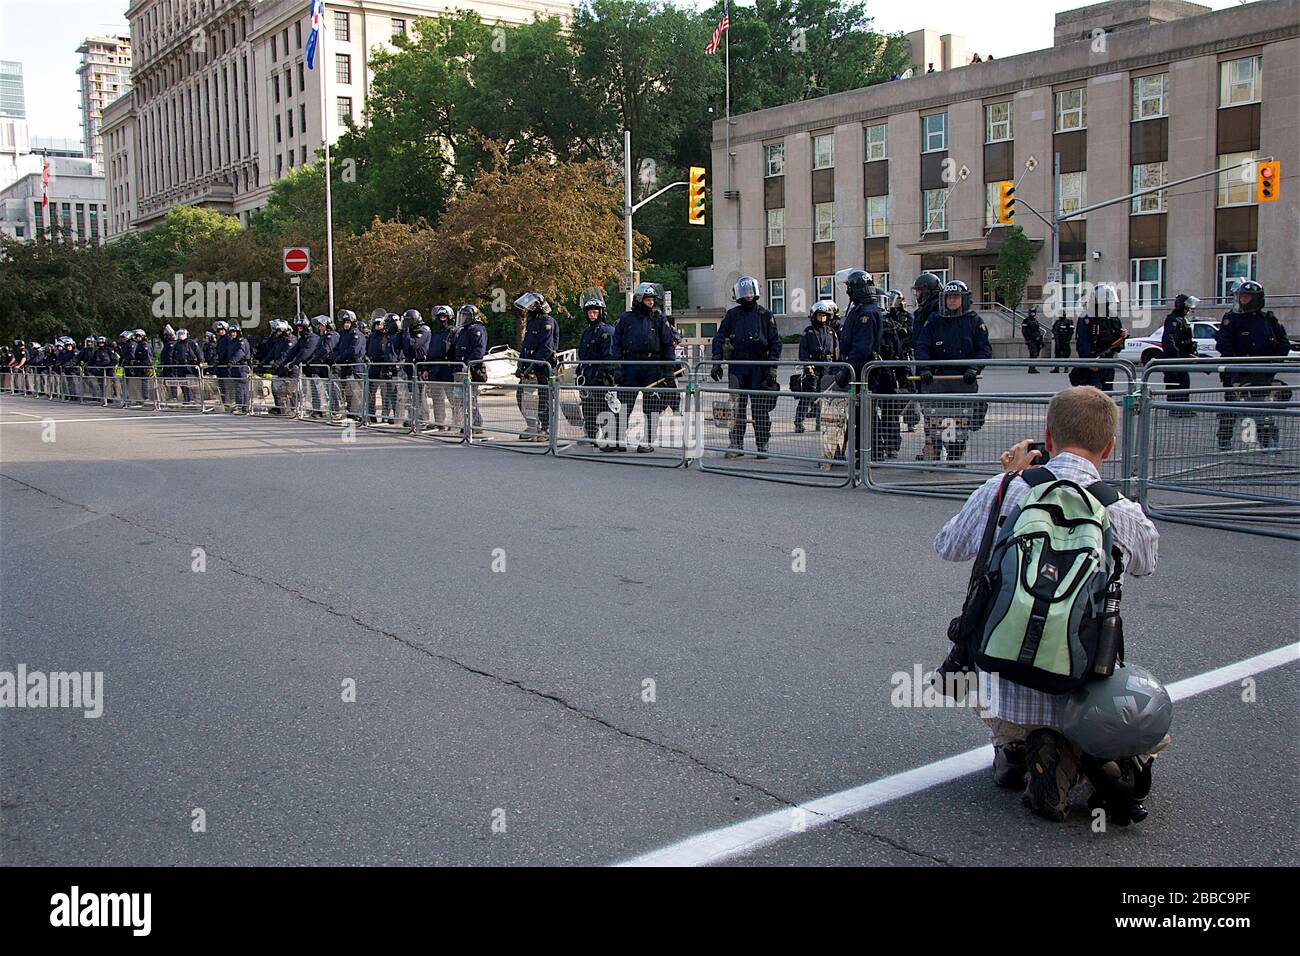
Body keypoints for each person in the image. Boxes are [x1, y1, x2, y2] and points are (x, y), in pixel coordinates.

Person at [935, 386, 1163, 823]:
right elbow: (1146, 564)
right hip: (1083, 675)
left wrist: (1004, 479)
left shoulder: (1009, 488)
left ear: (1047, 437)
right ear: (1110, 447)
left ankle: (1017, 748)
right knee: (1140, 702)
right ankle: (1087, 754)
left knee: (998, 676)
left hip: (1005, 672)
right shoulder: (1118, 507)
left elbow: (947, 545)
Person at [914, 280, 992, 462]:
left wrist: (974, 368)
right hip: (938, 379)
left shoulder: (974, 321)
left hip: (963, 380)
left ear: (963, 299)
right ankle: (934, 451)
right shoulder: (934, 320)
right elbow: (922, 345)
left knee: (959, 422)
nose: (952, 301)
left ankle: (955, 454)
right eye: (949, 297)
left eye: (956, 297)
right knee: (934, 420)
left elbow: (984, 350)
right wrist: (924, 367)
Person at [1214, 280, 1291, 451]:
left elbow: (1283, 342)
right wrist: (1235, 363)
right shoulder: (1231, 318)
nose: (1242, 300)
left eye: (1246, 297)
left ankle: (1267, 441)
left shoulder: (1268, 319)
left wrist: (1274, 362)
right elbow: (1223, 343)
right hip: (1237, 372)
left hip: (1263, 371)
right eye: (1240, 296)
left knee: (1263, 408)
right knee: (1231, 406)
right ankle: (1224, 439)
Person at [711, 276, 782, 459]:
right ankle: (736, 443)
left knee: (760, 408)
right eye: (745, 292)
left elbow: (775, 342)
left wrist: (772, 366)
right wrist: (716, 361)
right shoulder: (732, 315)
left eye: (751, 292)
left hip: (760, 366)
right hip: (738, 366)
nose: (748, 296)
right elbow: (719, 337)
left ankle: (762, 444)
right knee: (736, 407)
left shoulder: (765, 315)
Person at [617, 281, 678, 453]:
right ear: (639, 299)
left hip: (652, 366)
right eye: (647, 299)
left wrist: (669, 370)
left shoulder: (658, 318)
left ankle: (648, 440)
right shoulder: (626, 318)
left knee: (651, 405)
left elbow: (667, 344)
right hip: (631, 365)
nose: (651, 302)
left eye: (652, 299)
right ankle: (619, 438)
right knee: (624, 403)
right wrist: (617, 366)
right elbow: (617, 344)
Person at [576, 288, 617, 449]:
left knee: (603, 406)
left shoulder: (607, 331)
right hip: (587, 374)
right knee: (587, 406)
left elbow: (608, 357)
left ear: (600, 312)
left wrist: (599, 376)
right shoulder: (587, 332)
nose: (592, 315)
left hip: (602, 376)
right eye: (590, 312)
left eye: (595, 312)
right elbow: (583, 354)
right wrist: (580, 371)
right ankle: (592, 435)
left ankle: (609, 437)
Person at [515, 292, 558, 442]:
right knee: (522, 396)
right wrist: (520, 365)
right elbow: (526, 346)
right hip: (529, 366)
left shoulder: (547, 321)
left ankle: (545, 429)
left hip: (542, 368)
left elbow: (546, 348)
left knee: (544, 398)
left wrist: (533, 366)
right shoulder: (533, 321)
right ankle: (532, 426)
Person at [1072, 283, 1127, 392]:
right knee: (1093, 395)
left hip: (1109, 361)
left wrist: (1122, 336)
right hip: (1094, 362)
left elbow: (1117, 343)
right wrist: (1089, 361)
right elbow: (1082, 342)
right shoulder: (1088, 317)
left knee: (1107, 393)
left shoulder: (1112, 317)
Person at [795, 299, 838, 433]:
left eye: (824, 315)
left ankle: (820, 423)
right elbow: (803, 350)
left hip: (827, 367)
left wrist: (836, 367)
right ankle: (799, 422)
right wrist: (807, 365)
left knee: (824, 397)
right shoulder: (808, 332)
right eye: (820, 315)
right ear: (814, 316)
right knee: (807, 395)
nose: (822, 317)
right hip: (812, 366)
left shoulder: (831, 332)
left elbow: (836, 350)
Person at [418, 306, 457, 432]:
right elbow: (430, 352)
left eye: (444, 317)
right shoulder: (435, 333)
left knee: (453, 398)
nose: (442, 320)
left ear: (449, 317)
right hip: (434, 368)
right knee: (436, 397)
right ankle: (439, 422)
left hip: (447, 367)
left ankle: (457, 423)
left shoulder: (453, 332)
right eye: (440, 317)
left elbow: (454, 350)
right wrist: (425, 368)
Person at [1160, 294, 1199, 417]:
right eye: (1186, 308)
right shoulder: (1173, 320)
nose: (1188, 310)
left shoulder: (1182, 319)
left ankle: (1183, 408)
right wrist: (1176, 356)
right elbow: (1169, 340)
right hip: (1174, 359)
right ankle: (1176, 409)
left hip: (1181, 358)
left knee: (1184, 383)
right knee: (1176, 383)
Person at [453, 304, 488, 434]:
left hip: (471, 369)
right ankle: (467, 423)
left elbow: (479, 351)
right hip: (462, 369)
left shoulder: (477, 329)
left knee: (471, 398)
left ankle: (476, 424)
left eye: (464, 316)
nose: (462, 319)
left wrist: (468, 364)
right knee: (463, 399)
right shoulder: (463, 330)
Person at [366, 314, 401, 424]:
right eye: (376, 324)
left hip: (385, 365)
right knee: (371, 392)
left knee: (386, 393)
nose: (378, 326)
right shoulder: (372, 336)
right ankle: (371, 415)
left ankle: (386, 415)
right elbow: (367, 349)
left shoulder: (388, 336)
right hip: (374, 366)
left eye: (380, 324)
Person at [333, 309, 367, 421]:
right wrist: (337, 357)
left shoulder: (356, 335)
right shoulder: (344, 335)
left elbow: (354, 350)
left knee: (355, 392)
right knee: (348, 392)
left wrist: (341, 357)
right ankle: (350, 413)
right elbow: (338, 348)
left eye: (348, 322)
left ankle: (357, 414)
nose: (346, 324)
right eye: (344, 322)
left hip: (354, 367)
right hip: (345, 368)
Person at [269, 318, 302, 415]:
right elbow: (272, 353)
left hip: (291, 370)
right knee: (276, 389)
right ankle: (280, 408)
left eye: (278, 330)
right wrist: (263, 362)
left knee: (290, 391)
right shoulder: (279, 341)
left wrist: (278, 363)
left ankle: (292, 409)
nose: (277, 332)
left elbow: (286, 354)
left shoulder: (291, 340)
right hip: (282, 370)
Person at [174, 329, 203, 405]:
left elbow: (198, 352)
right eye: (179, 334)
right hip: (181, 365)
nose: (181, 336)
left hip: (191, 365)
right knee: (183, 383)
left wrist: (200, 362)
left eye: (182, 334)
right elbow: (174, 354)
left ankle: (197, 399)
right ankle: (187, 399)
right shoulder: (177, 344)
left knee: (194, 383)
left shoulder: (192, 343)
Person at [126, 329, 154, 408]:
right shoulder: (139, 345)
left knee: (144, 382)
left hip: (144, 366)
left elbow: (148, 358)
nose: (137, 338)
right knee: (138, 383)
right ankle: (140, 399)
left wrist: (146, 366)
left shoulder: (145, 345)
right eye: (136, 336)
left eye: (138, 336)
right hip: (138, 366)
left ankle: (145, 398)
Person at [1021, 307, 1044, 373]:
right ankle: (1031, 368)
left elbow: (1037, 330)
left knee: (1036, 353)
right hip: (1031, 340)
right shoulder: (1026, 320)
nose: (1033, 314)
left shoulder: (1035, 321)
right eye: (1031, 312)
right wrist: (1027, 339)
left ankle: (1033, 367)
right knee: (1033, 353)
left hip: (1036, 340)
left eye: (1034, 313)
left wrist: (1040, 339)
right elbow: (1024, 331)